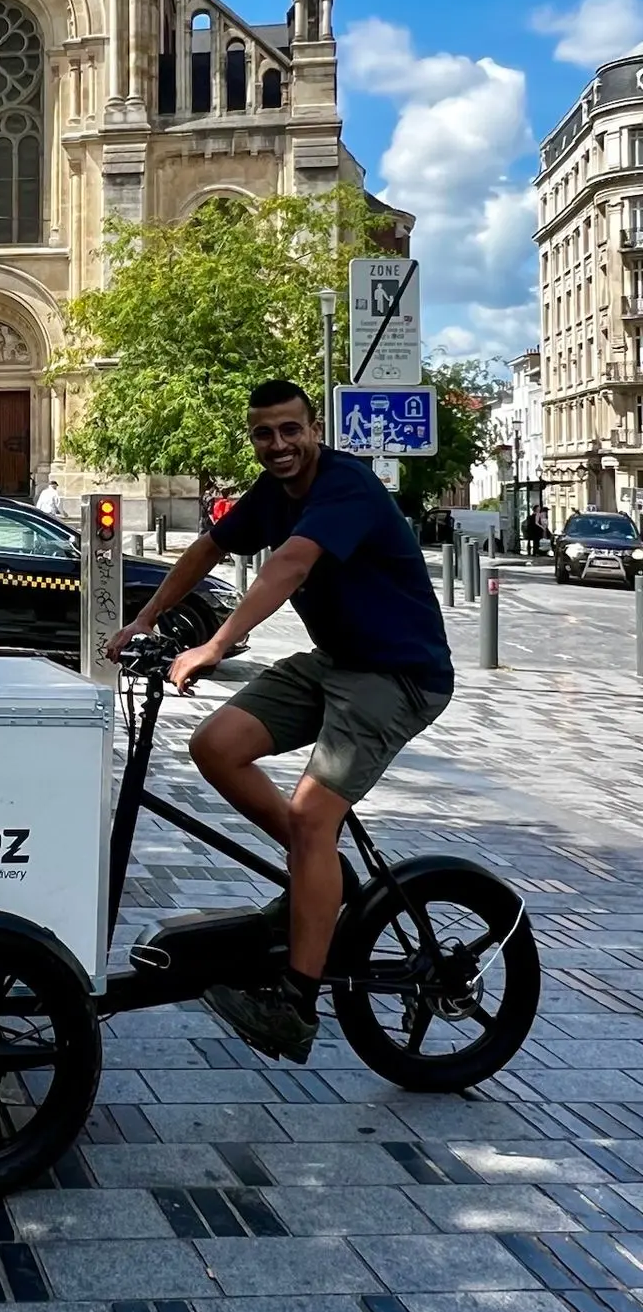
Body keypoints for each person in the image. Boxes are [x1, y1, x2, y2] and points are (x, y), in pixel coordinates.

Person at [107, 378, 453, 1064]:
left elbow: (291, 566)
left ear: (315, 428)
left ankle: (296, 1002)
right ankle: (320, 872)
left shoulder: (345, 487)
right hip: (337, 663)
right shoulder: (270, 492)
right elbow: (210, 548)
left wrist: (212, 643)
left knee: (313, 811)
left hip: (400, 674)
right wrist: (143, 618)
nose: (278, 446)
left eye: (290, 430)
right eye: (264, 434)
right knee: (216, 746)